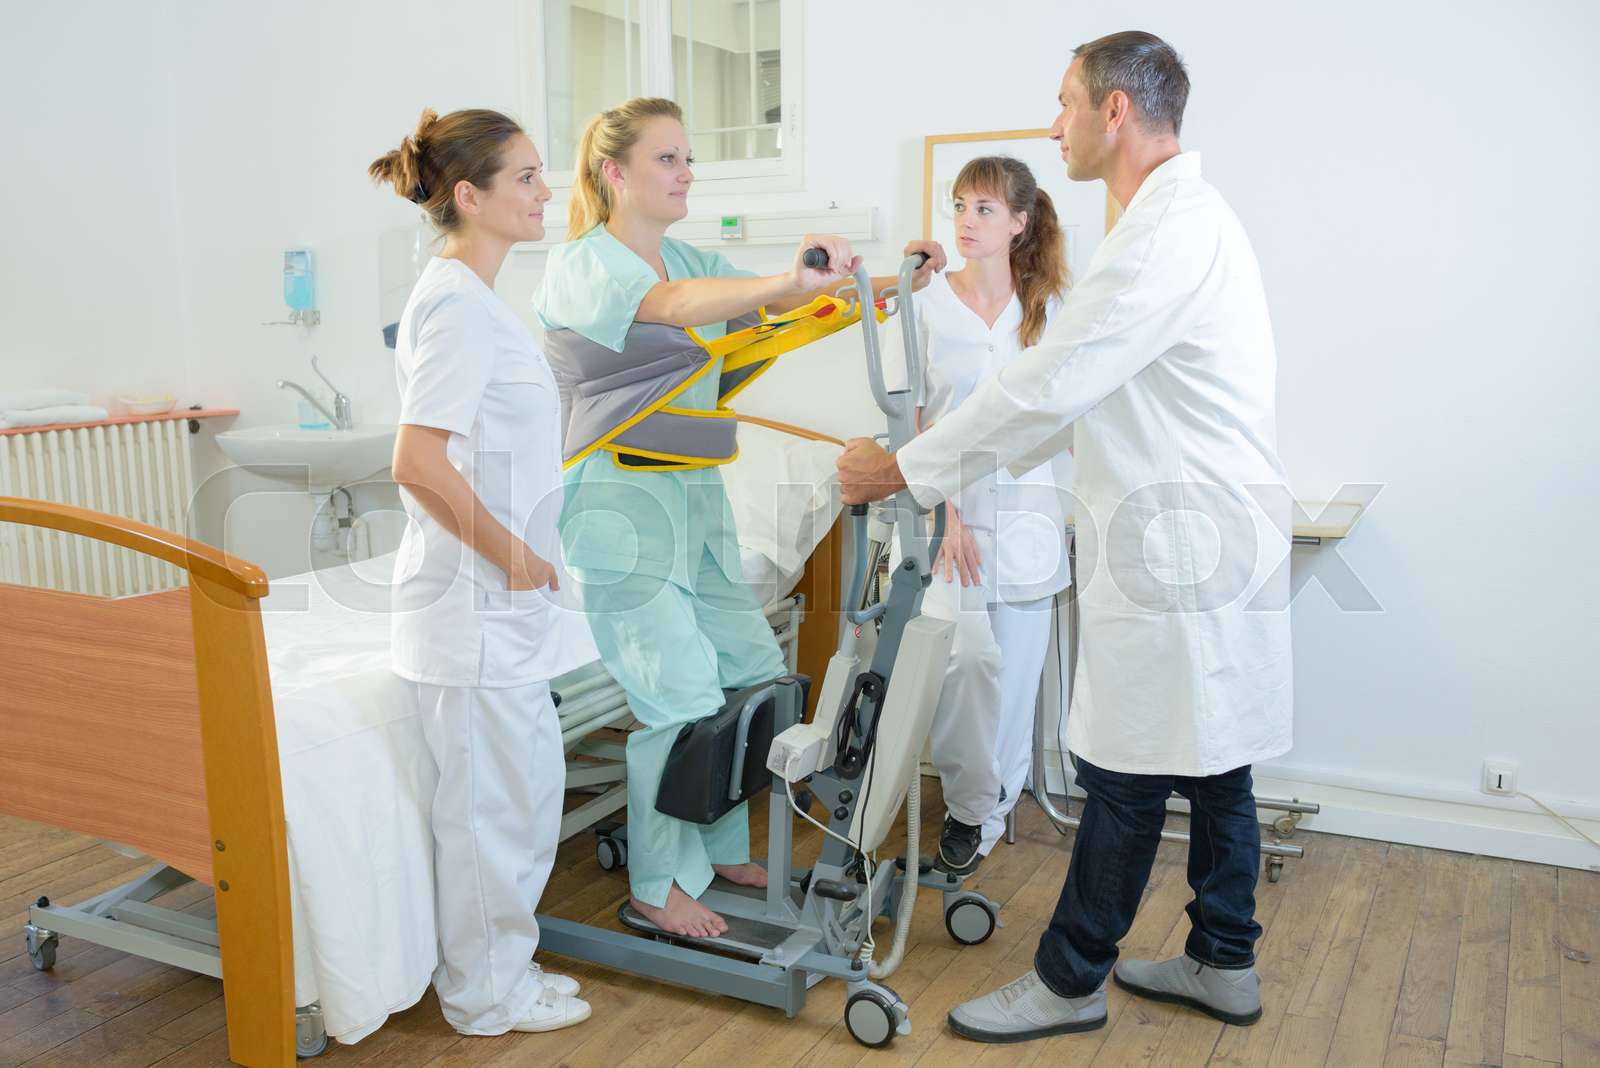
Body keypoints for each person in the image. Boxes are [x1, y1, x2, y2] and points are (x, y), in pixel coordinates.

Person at [837, 32, 1293, 1042]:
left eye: (1063, 104)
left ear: (1115, 111)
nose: (1055, 125)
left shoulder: (1164, 235)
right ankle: (1224, 957)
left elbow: (1045, 384)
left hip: (1178, 547)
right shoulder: (1174, 223)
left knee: (1124, 761)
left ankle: (1068, 976)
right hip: (1197, 537)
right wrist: (939, 470)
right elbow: (1055, 403)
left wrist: (907, 469)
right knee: (1216, 757)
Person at [533, 96, 873, 940]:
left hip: (694, 496)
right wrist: (792, 280)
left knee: (752, 672)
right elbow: (683, 306)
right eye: (668, 159)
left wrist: (880, 284)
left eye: (689, 158)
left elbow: (762, 309)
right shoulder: (584, 264)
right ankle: (656, 882)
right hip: (621, 504)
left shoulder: (684, 253)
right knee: (677, 696)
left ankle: (718, 849)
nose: (687, 173)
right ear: (616, 173)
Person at [371, 107, 596, 1036]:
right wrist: (517, 556)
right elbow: (417, 462)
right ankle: (483, 996)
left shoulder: (478, 299)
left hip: (499, 605)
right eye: (528, 178)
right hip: (472, 606)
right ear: (470, 196)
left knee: (520, 799)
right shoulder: (457, 303)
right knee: (489, 818)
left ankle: (504, 971)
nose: (548, 193)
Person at [885, 155, 1071, 877]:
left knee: (1016, 677)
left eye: (985, 209)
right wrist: (946, 511)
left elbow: (1058, 417)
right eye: (960, 205)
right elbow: (914, 418)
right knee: (964, 667)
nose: (966, 220)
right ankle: (968, 805)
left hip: (1027, 515)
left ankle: (985, 820)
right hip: (947, 521)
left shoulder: (1051, 312)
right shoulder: (927, 304)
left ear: (1020, 223)